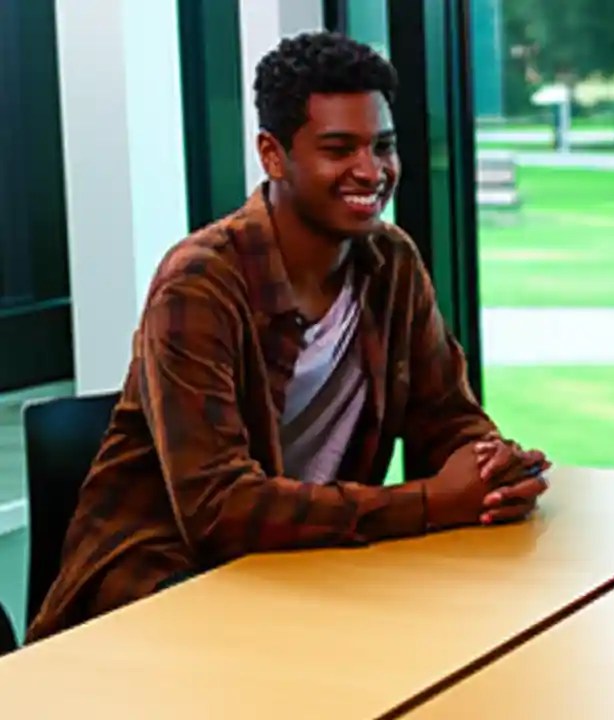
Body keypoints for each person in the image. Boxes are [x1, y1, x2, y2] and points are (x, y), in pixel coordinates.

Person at [26, 32, 550, 642]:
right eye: (339, 148)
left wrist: (490, 474)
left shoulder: (391, 263)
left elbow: (447, 418)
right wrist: (434, 501)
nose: (371, 171)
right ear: (273, 155)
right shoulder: (201, 282)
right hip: (154, 598)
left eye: (383, 146)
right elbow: (219, 510)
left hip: (300, 573)